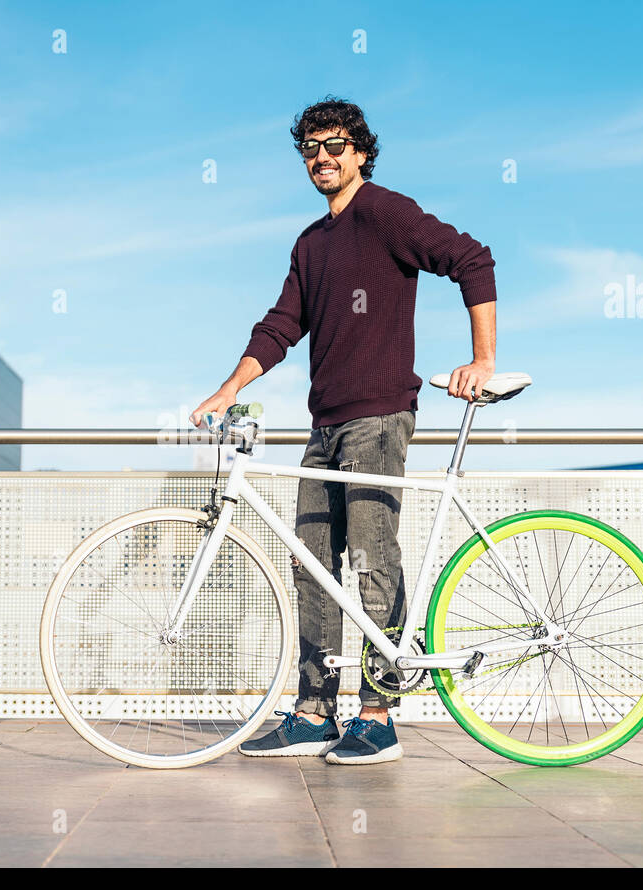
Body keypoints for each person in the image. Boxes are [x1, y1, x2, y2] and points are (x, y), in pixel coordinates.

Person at [189, 97, 499, 765]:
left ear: (361, 152)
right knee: (312, 566)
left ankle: (379, 714)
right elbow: (280, 326)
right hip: (323, 425)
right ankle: (313, 710)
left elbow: (473, 260)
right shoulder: (310, 243)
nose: (321, 156)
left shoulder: (385, 212)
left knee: (370, 559)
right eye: (310, 148)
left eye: (335, 144)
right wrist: (229, 387)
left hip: (379, 415)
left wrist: (482, 360)